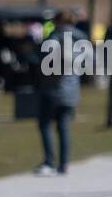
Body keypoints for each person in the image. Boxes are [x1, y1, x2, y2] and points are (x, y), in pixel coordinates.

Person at [35, 10, 84, 176]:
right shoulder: (81, 38)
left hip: (54, 89)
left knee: (45, 124)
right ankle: (64, 163)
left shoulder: (55, 38)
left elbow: (49, 63)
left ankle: (49, 161)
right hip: (72, 89)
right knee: (63, 127)